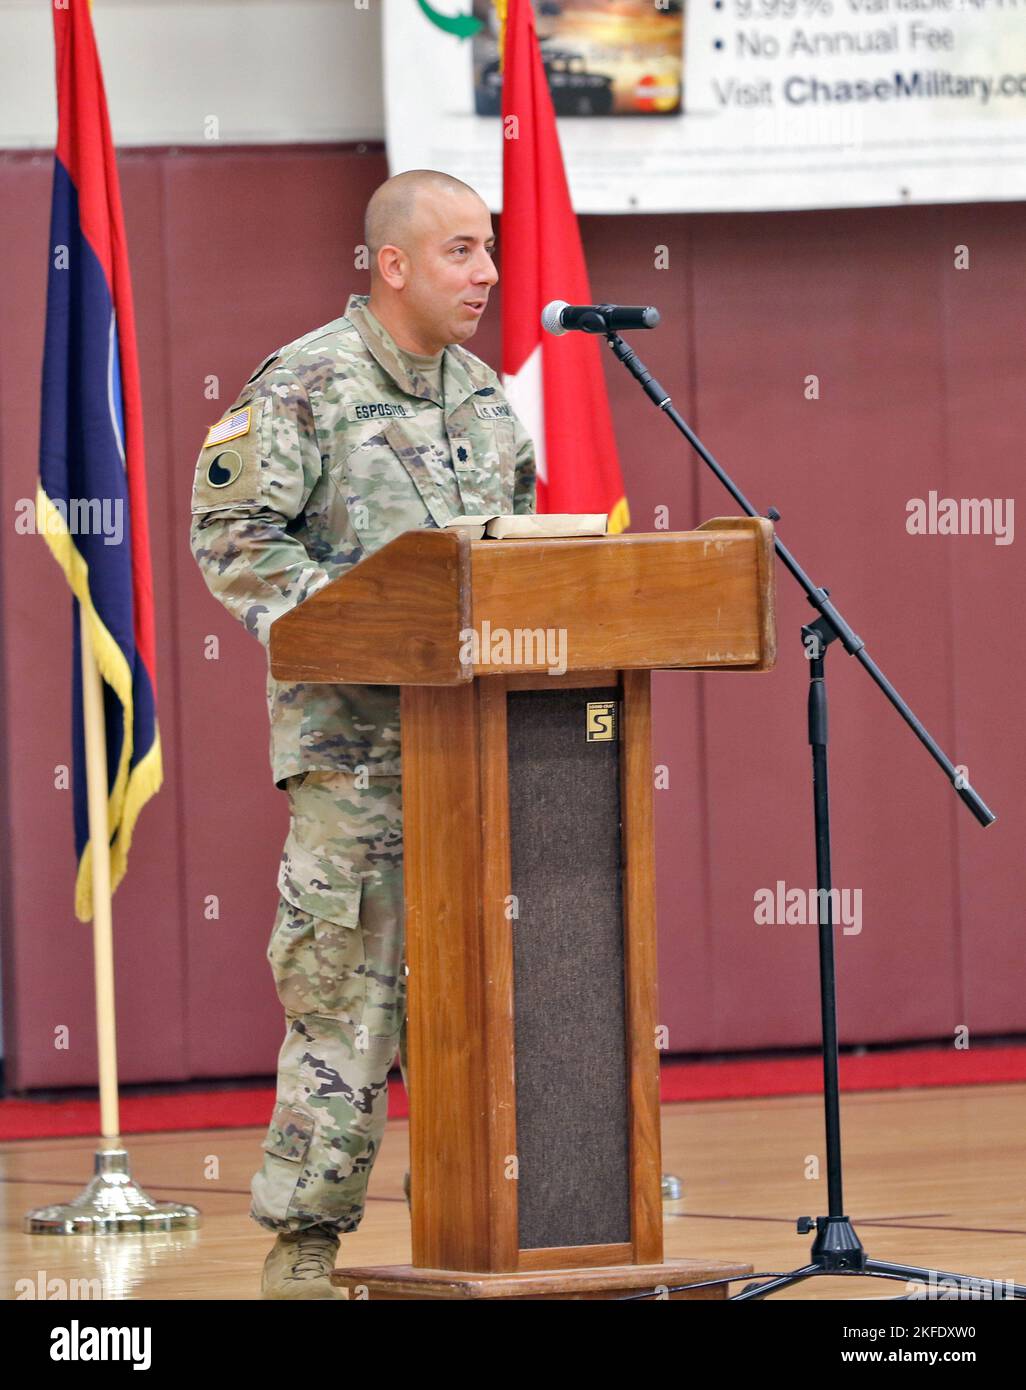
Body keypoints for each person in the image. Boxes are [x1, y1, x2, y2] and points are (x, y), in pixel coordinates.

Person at [189, 169, 536, 1298]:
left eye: (489, 251)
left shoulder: (486, 399)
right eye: (462, 252)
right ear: (394, 264)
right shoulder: (303, 387)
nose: (487, 273)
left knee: (503, 997)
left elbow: (527, 556)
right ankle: (303, 1254)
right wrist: (356, 630)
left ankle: (512, 1228)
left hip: (484, 758)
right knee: (350, 1005)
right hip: (359, 765)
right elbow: (235, 535)